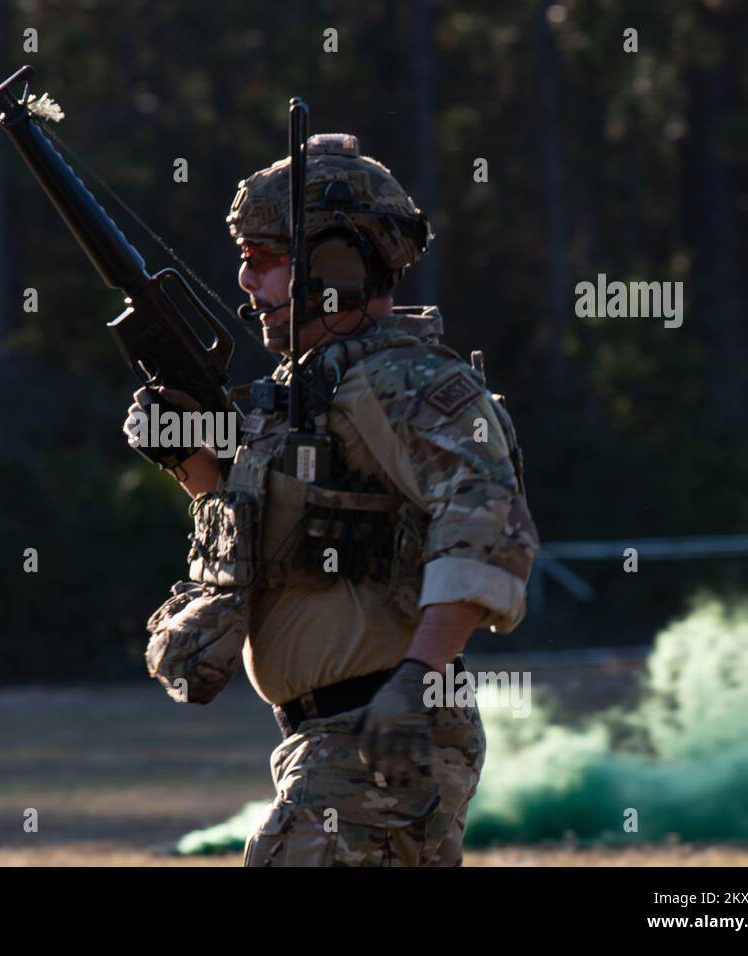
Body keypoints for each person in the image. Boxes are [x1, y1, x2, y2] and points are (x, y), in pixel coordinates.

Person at [128, 133, 539, 866]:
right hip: (331, 738)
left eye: (264, 260)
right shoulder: (306, 399)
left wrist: (417, 680)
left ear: (334, 265)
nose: (247, 284)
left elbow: (488, 521)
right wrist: (197, 464)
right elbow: (267, 551)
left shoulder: (401, 382)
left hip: (376, 730)